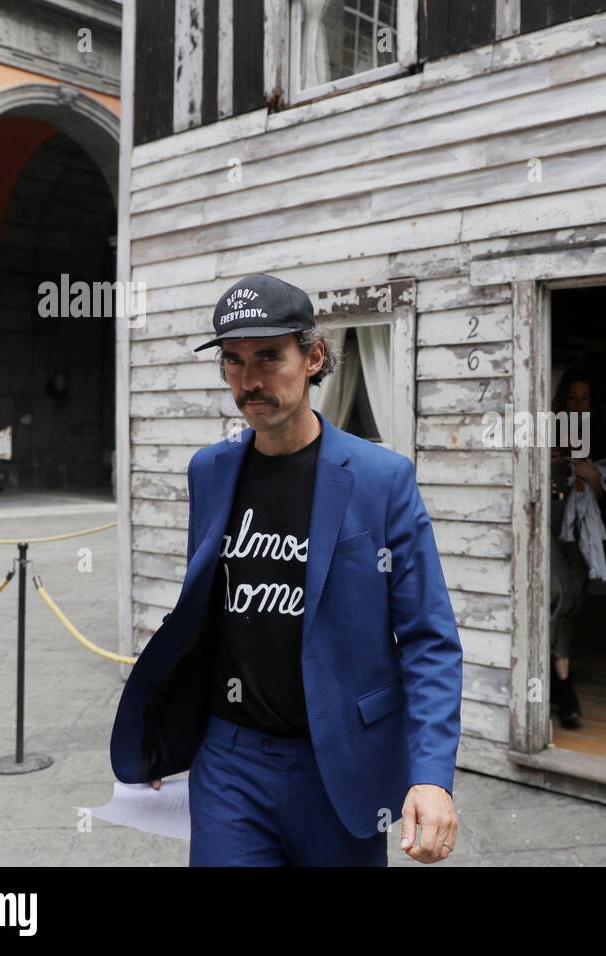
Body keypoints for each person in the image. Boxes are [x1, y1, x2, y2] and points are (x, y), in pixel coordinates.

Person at [110, 273, 462, 866]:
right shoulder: (210, 471)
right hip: (229, 760)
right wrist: (166, 730)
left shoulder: (380, 479)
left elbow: (429, 636)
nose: (250, 380)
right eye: (234, 361)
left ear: (313, 356)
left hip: (339, 764)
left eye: (270, 356)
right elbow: (203, 614)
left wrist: (430, 776)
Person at [548, 368, 604, 728]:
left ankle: (558, 674)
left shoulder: (596, 439)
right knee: (561, 596)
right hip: (547, 528)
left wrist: (592, 476)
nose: (577, 405)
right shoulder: (548, 432)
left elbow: (601, 496)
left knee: (575, 600)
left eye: (584, 399)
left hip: (580, 532)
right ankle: (562, 686)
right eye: (571, 398)